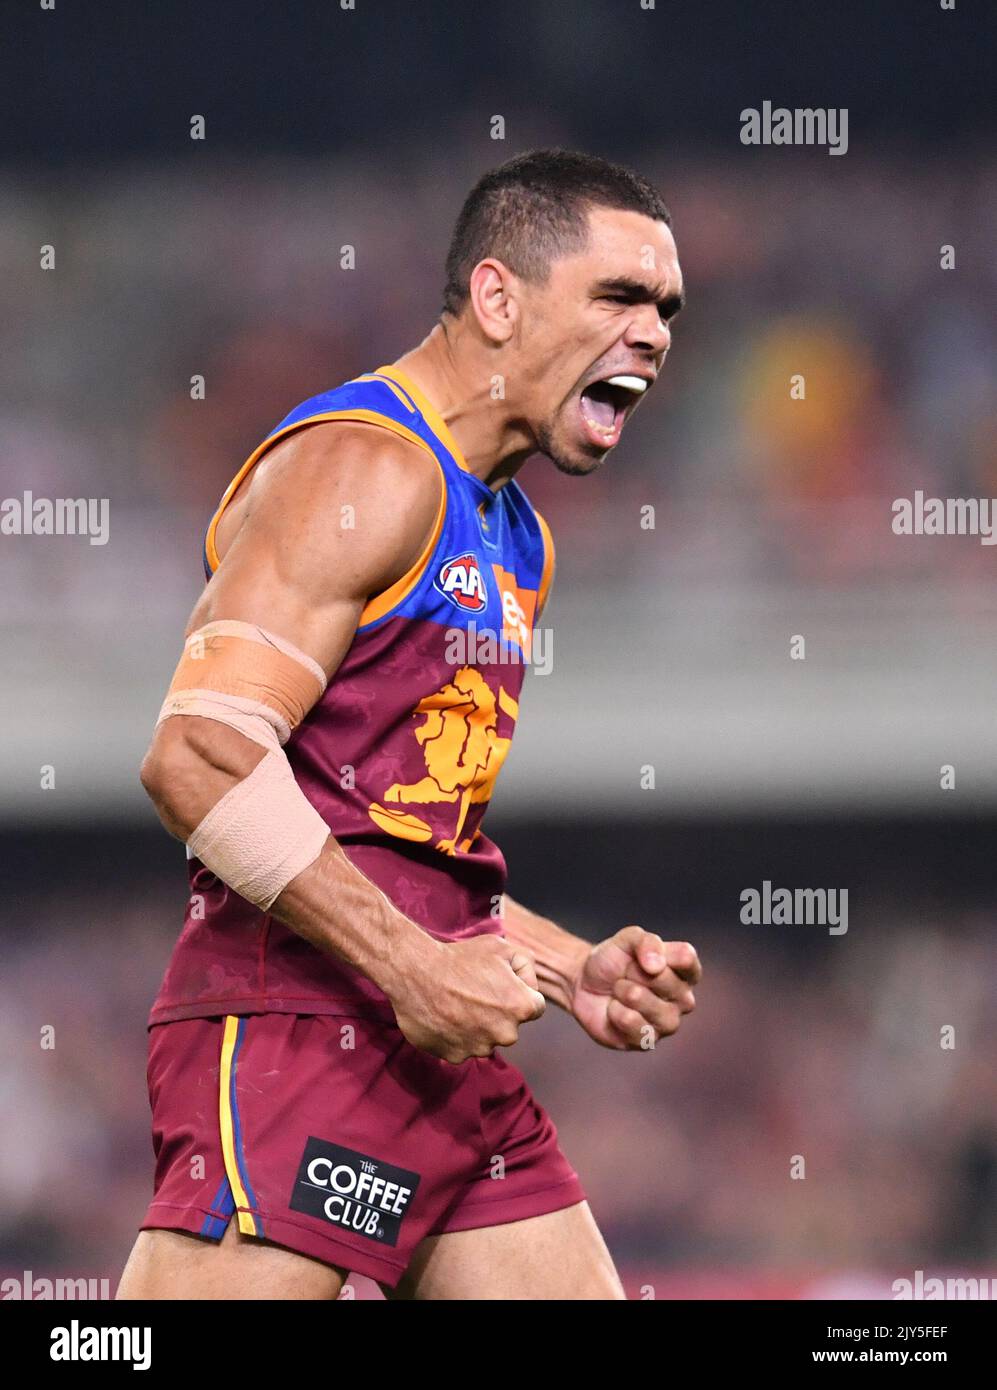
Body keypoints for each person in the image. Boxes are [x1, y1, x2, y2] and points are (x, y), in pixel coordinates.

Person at [117, 149, 699, 1301]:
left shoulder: (514, 533)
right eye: (619, 297)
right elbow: (195, 754)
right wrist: (411, 970)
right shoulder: (362, 466)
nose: (654, 333)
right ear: (497, 297)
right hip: (292, 1027)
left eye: (667, 309)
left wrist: (566, 965)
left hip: (434, 1053)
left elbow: (402, 845)